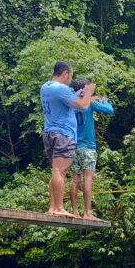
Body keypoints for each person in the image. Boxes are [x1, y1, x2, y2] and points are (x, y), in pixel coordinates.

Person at [40, 60, 97, 217]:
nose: (70, 80)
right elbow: (82, 106)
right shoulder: (62, 89)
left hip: (49, 132)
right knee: (60, 171)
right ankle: (58, 208)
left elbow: (66, 100)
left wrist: (76, 95)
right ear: (65, 73)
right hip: (63, 134)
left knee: (55, 171)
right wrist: (89, 92)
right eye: (70, 76)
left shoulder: (46, 87)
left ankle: (53, 207)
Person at [68, 77, 113, 220]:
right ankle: (87, 213)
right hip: (87, 146)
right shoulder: (90, 102)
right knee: (88, 178)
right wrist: (104, 99)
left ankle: (74, 211)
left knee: (75, 179)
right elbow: (109, 110)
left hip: (73, 145)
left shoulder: (71, 102)